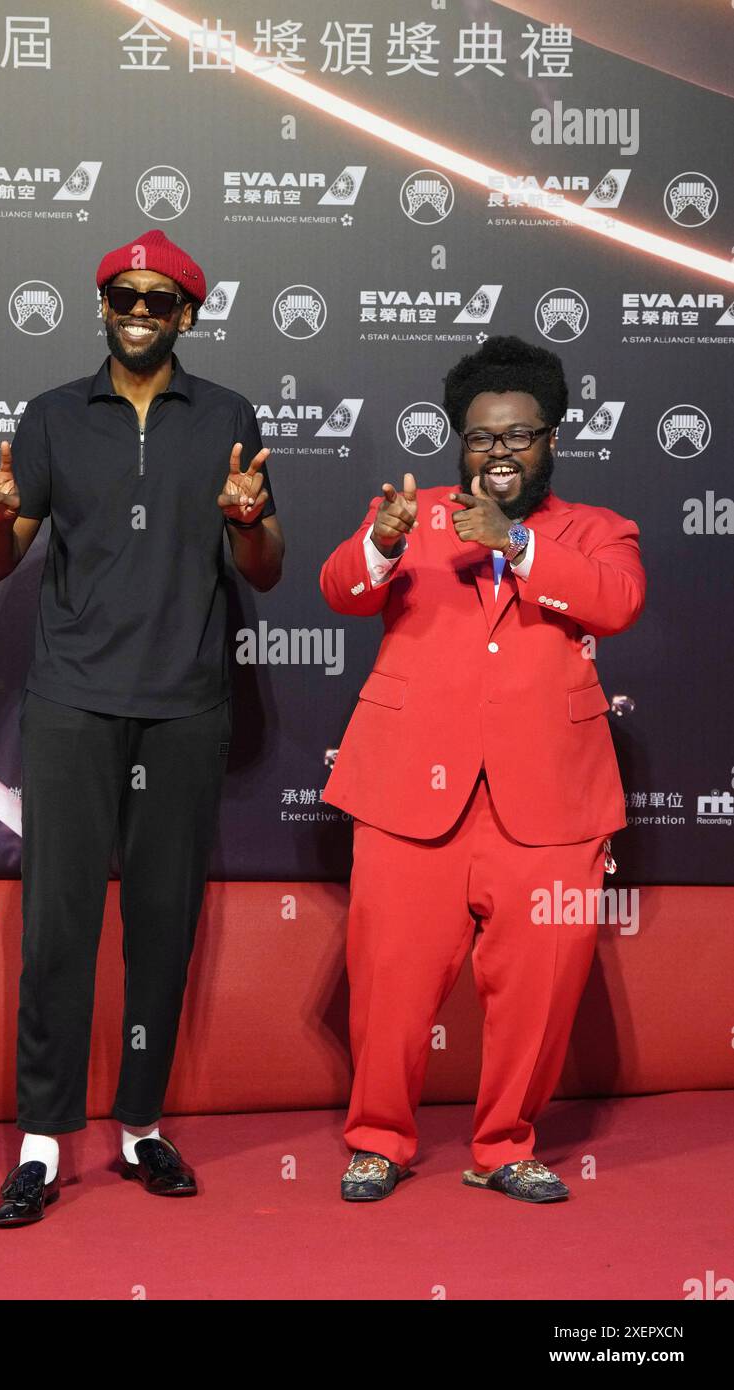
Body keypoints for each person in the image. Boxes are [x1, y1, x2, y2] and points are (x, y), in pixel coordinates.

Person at [0, 229, 284, 1226]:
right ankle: (41, 1143)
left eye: (158, 298)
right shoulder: (55, 416)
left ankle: (141, 1127)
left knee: (160, 926)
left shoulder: (227, 414)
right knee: (58, 928)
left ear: (187, 314)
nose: (137, 311)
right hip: (69, 699)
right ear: (102, 305)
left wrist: (246, 519)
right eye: (121, 295)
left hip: (186, 702)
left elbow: (266, 566)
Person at [319, 335, 645, 1204]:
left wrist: (518, 544)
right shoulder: (409, 512)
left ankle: (504, 1146)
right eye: (478, 437)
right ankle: (377, 1140)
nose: (495, 452)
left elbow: (616, 604)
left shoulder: (596, 531)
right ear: (456, 442)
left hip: (549, 805)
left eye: (516, 436)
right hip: (406, 796)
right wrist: (381, 546)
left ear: (549, 440)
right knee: (389, 983)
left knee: (538, 990)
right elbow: (341, 590)